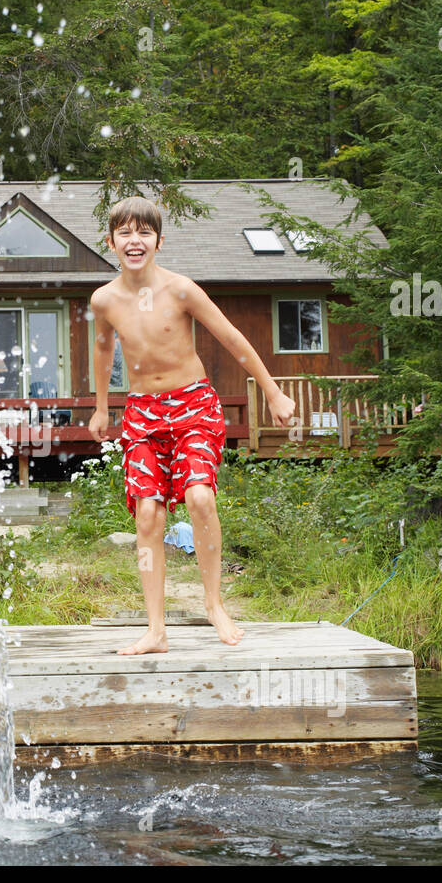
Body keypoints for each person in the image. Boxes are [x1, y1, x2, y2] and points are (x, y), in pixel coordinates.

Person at [88, 196, 296, 655]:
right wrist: (102, 406)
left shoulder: (181, 290)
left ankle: (214, 603)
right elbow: (104, 350)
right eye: (125, 232)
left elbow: (232, 338)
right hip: (142, 411)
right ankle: (156, 629)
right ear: (111, 242)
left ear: (159, 241)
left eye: (144, 232)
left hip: (193, 405)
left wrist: (273, 391)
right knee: (147, 514)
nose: (134, 240)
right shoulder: (104, 299)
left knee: (200, 496)